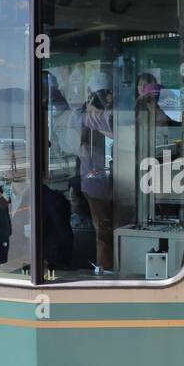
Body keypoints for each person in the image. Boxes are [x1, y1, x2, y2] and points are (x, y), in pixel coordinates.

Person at [79, 71, 115, 272]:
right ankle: (105, 268)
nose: (106, 98)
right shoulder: (91, 116)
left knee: (104, 230)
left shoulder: (91, 116)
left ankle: (106, 267)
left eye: (106, 94)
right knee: (103, 230)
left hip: (101, 180)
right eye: (102, 94)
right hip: (94, 182)